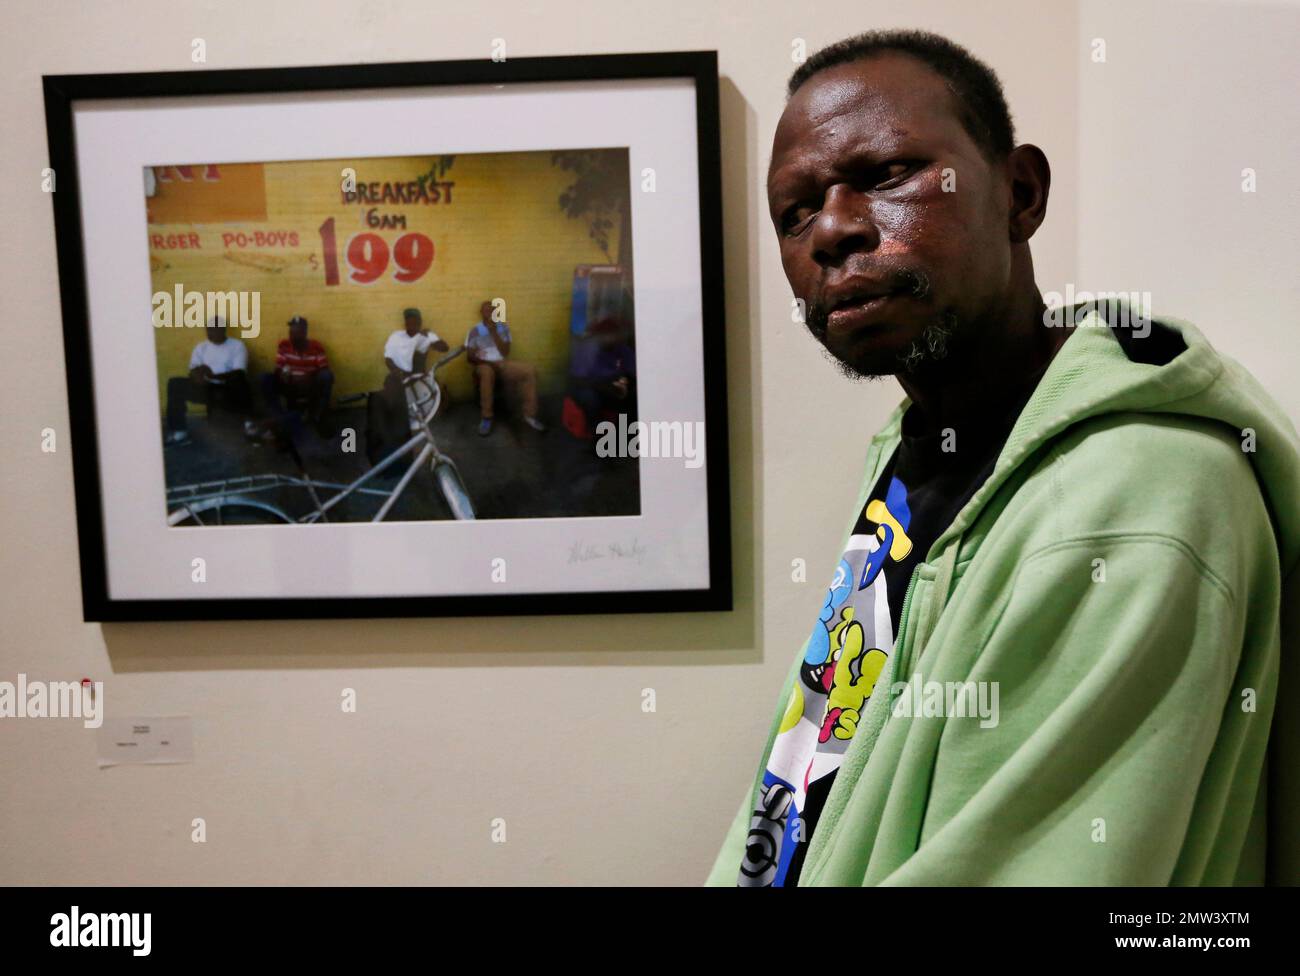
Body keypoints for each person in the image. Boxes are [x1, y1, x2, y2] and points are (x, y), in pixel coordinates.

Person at [708, 29, 1300, 887]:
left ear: (1019, 193)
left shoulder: (1141, 498)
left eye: (886, 176)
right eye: (796, 212)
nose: (831, 230)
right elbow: (805, 769)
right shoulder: (917, 452)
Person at [164, 315, 254, 445]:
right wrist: (198, 377)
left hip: (227, 389)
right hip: (205, 389)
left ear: (223, 330)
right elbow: (193, 369)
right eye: (209, 330)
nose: (211, 333)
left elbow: (239, 372)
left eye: (215, 330)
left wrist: (214, 376)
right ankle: (180, 432)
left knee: (240, 381)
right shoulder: (201, 347)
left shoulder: (237, 346)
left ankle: (249, 426)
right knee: (175, 383)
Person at [466, 300, 546, 436]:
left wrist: (494, 333)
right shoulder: (475, 331)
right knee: (486, 373)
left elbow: (505, 353)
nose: (489, 313)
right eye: (486, 310)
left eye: (491, 310)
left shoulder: (503, 327)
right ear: (481, 313)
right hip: (483, 364)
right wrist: (490, 364)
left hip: (501, 363)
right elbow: (469, 357)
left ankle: (529, 415)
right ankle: (487, 418)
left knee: (530, 371)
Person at [379, 307, 449, 439]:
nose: (412, 324)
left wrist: (429, 337)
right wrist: (398, 372)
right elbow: (388, 359)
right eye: (409, 322)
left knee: (437, 400)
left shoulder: (425, 336)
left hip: (419, 375)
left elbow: (444, 348)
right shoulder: (396, 336)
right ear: (405, 323)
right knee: (390, 394)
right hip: (398, 375)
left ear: (420, 322)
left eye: (416, 321)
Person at [260, 315, 334, 437]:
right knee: (265, 378)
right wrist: (283, 376)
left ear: (305, 333)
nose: (292, 336)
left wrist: (308, 376)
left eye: (297, 333)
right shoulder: (284, 345)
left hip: (309, 384)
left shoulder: (316, 347)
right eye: (291, 332)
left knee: (327, 376)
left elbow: (324, 369)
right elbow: (278, 369)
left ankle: (319, 418)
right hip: (289, 384)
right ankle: (279, 417)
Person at [566, 316, 636, 433]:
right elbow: (577, 380)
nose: (609, 338)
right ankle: (594, 431)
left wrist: (624, 384)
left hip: (612, 385)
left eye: (613, 335)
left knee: (632, 397)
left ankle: (624, 433)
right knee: (590, 399)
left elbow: (632, 372)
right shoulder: (587, 350)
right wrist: (604, 386)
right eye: (605, 335)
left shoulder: (622, 349)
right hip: (589, 386)